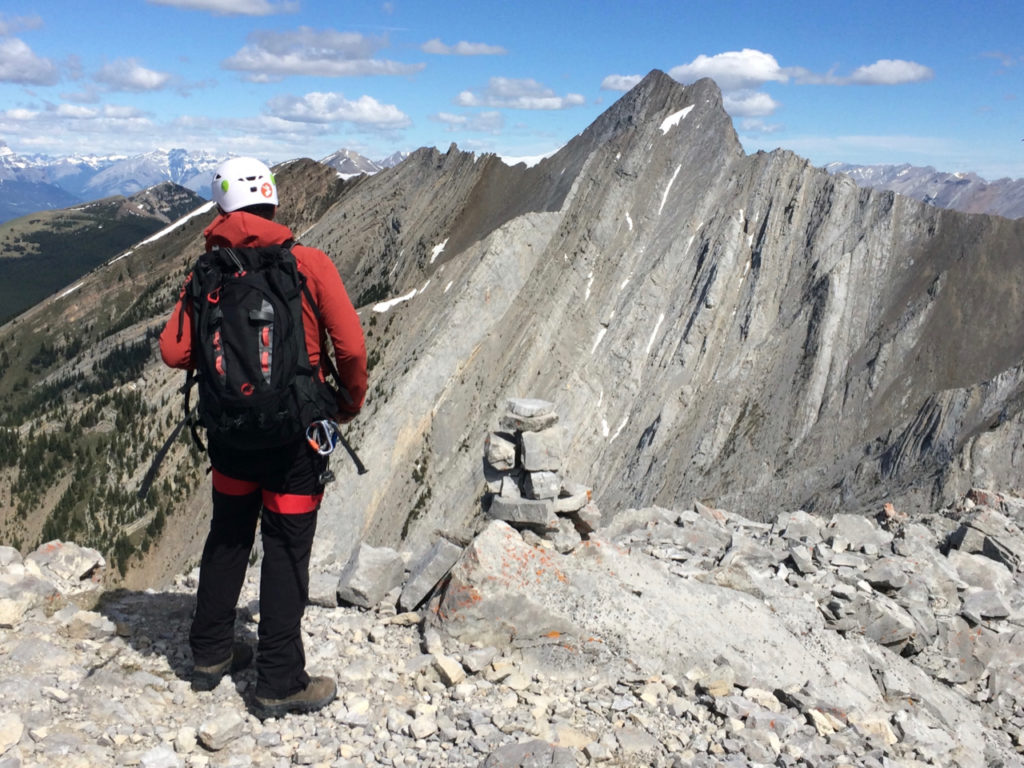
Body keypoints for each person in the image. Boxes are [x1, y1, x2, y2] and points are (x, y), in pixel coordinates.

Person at [159, 156, 367, 718]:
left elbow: (174, 350)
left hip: (230, 434)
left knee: (228, 533)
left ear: (221, 210)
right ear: (273, 204)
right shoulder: (308, 263)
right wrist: (346, 404)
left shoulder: (209, 271)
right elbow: (350, 347)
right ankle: (278, 680)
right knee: (286, 548)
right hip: (296, 437)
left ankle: (208, 654)